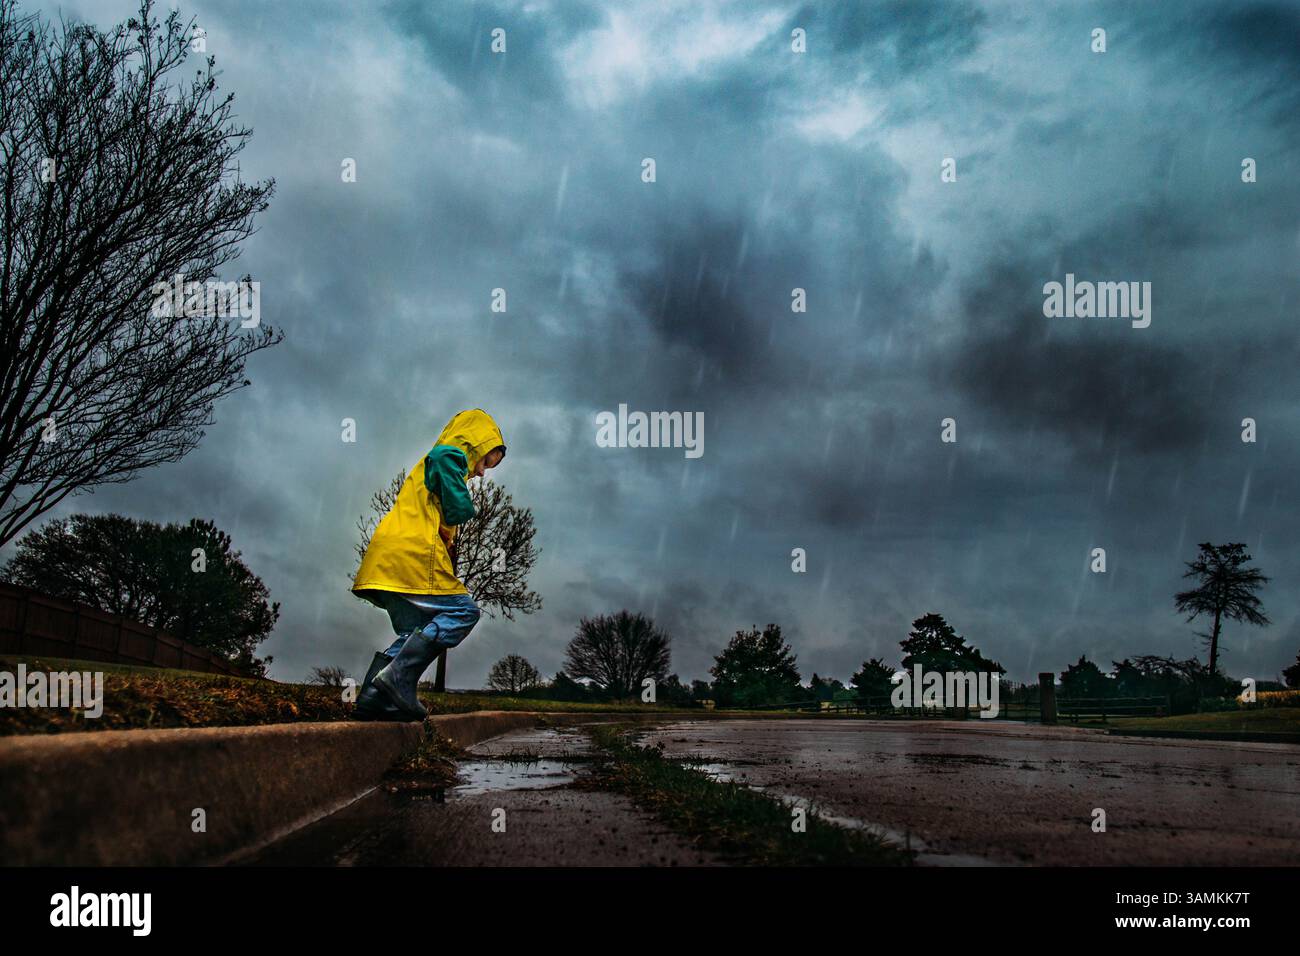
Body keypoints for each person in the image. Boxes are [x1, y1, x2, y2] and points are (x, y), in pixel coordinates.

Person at [351, 408, 506, 721]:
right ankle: (397, 679)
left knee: (413, 629)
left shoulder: (427, 472)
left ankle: (373, 694)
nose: (482, 473)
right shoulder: (449, 456)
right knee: (463, 611)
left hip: (389, 554)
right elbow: (455, 498)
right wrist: (463, 510)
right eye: (486, 462)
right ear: (474, 444)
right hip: (413, 552)